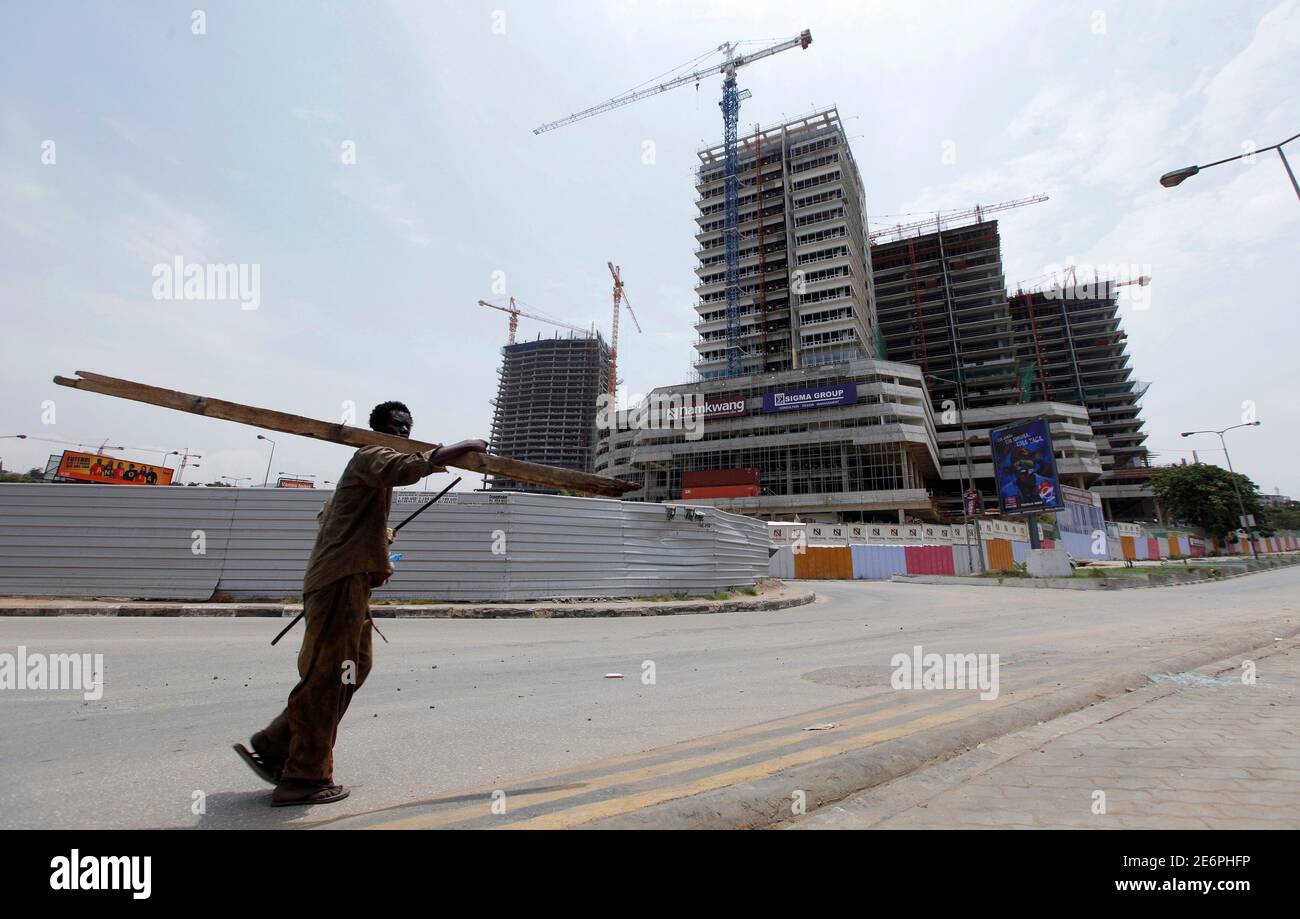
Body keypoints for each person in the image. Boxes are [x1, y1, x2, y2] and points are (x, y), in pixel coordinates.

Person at [234, 401, 487, 806]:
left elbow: (332, 518)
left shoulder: (367, 478)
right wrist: (459, 448)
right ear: (378, 429)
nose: (402, 433)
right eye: (394, 426)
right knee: (329, 678)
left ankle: (276, 742)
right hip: (339, 582)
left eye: (407, 427)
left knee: (353, 669)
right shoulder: (371, 455)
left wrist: (378, 534)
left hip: (346, 583)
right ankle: (303, 776)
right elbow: (401, 469)